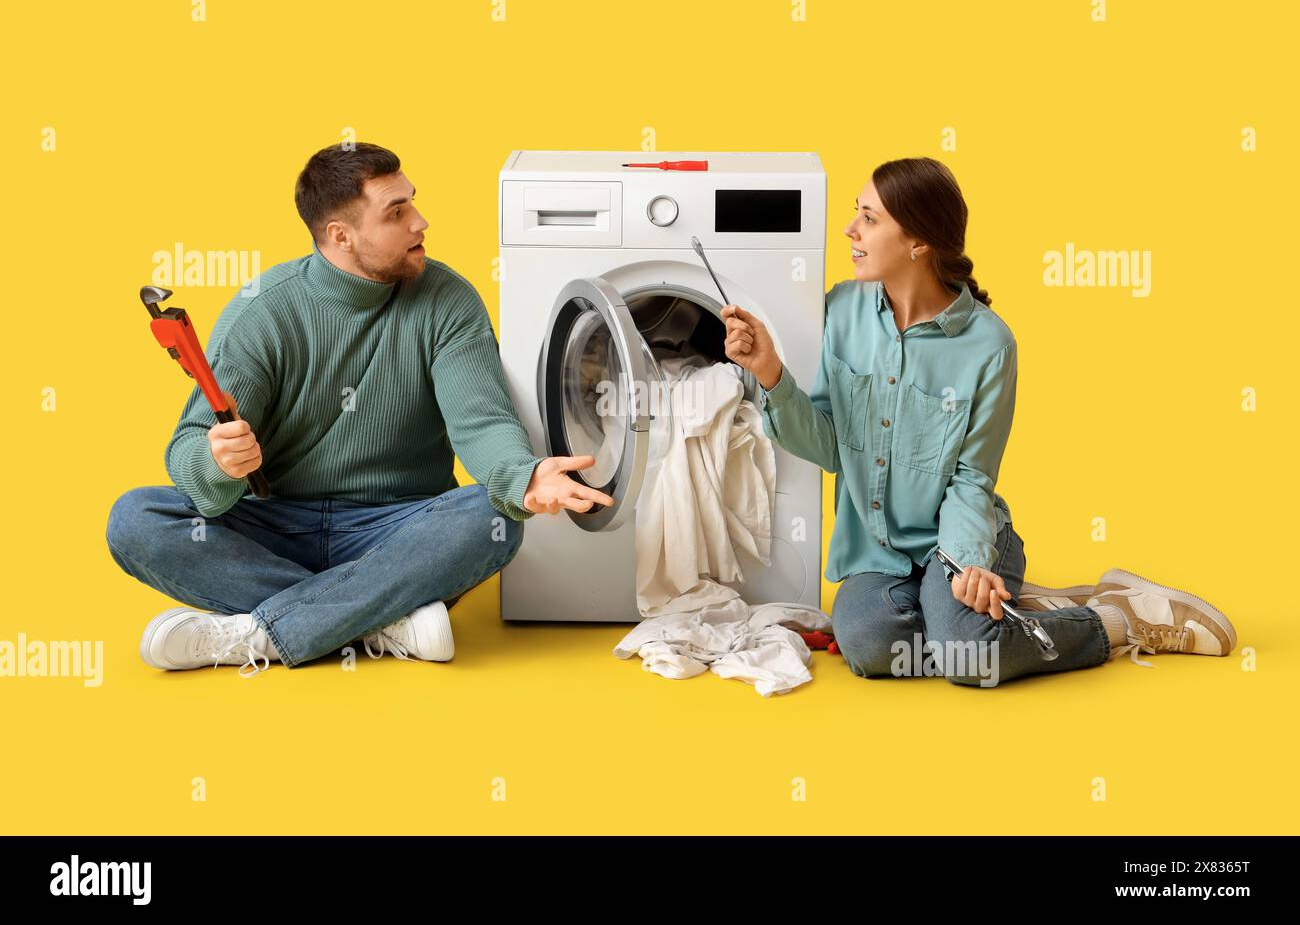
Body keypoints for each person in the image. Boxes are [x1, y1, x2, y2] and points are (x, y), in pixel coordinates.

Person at [721, 157, 1236, 686]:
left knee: (972, 656)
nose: (850, 230)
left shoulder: (991, 346)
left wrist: (969, 565)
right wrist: (770, 373)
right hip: (876, 549)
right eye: (857, 213)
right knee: (873, 648)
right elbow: (832, 448)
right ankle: (1014, 611)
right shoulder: (839, 312)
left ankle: (1121, 620)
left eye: (870, 219)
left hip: (960, 540)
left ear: (918, 242)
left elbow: (972, 478)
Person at [107, 142, 612, 677]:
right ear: (339, 236)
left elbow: (480, 420)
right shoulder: (264, 310)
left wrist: (522, 476)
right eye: (396, 213)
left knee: (494, 517)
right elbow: (191, 447)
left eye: (412, 202)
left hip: (398, 528)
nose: (421, 221)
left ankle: (261, 632)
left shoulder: (448, 299)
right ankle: (380, 620)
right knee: (135, 518)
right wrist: (216, 463)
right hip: (278, 527)